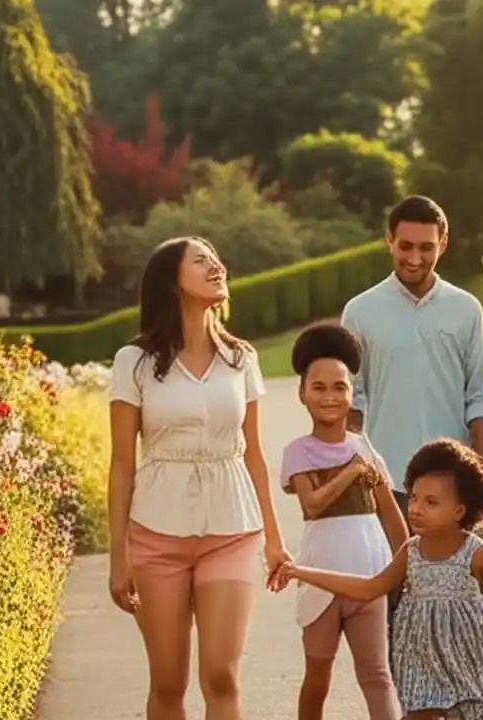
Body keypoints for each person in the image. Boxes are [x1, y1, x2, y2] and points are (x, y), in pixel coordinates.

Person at [107, 236, 291, 720]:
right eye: (201, 260)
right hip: (155, 534)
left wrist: (274, 539)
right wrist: (118, 556)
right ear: (172, 282)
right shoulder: (134, 362)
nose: (216, 266)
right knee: (168, 682)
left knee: (222, 676)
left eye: (216, 259)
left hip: (232, 531)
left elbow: (254, 453)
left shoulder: (241, 358)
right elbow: (122, 464)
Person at [277, 438, 483, 720]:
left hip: (468, 664)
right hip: (421, 667)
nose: (416, 508)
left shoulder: (474, 553)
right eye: (413, 498)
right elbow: (369, 587)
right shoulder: (410, 553)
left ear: (459, 511)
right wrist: (300, 571)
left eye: (431, 502)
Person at [279, 322, 408, 720]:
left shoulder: (365, 447)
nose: (330, 397)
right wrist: (351, 472)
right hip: (321, 579)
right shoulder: (298, 452)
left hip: (370, 577)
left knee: (377, 675)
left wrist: (406, 565)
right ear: (302, 393)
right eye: (318, 388)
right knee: (318, 676)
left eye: (339, 387)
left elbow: (391, 514)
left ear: (352, 393)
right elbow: (313, 504)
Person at [340, 194, 483, 518]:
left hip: (451, 481)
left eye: (426, 248)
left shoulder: (466, 309)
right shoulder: (359, 312)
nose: (414, 258)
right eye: (405, 246)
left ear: (443, 244)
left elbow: (478, 396)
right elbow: (352, 398)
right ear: (389, 240)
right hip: (384, 481)